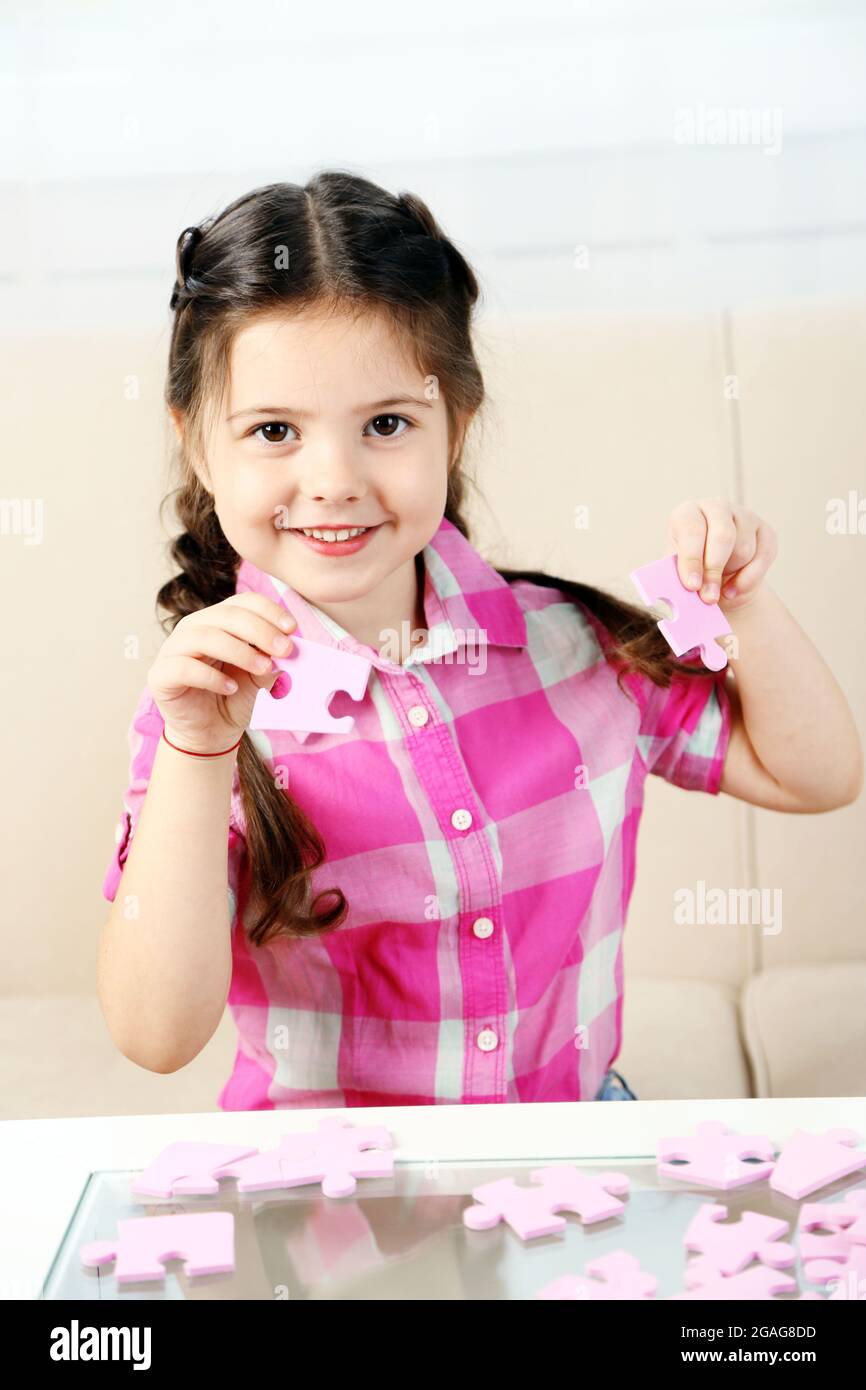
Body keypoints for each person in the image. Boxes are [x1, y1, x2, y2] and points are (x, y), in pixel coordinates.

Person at [97, 172, 862, 1111]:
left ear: (455, 424)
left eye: (386, 424)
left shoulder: (578, 648)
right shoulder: (203, 716)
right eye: (273, 430)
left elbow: (814, 775)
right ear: (199, 445)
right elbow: (155, 1034)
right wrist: (198, 751)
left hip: (571, 1153)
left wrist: (743, 606)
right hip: (335, 1210)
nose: (333, 479)